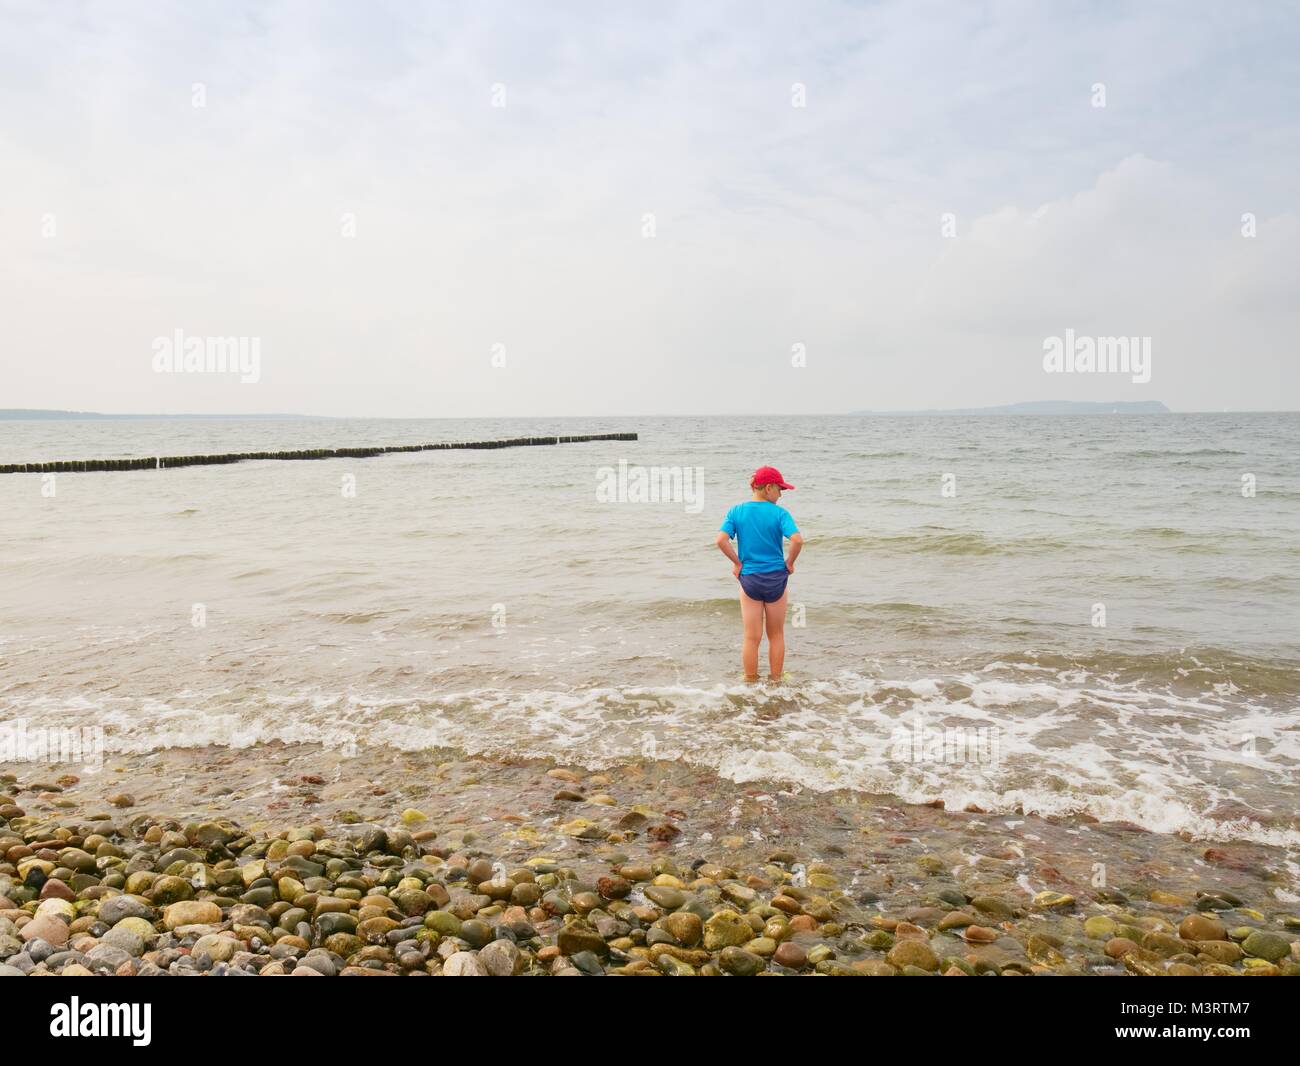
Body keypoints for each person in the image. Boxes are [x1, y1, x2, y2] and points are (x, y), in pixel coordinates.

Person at [715, 466, 803, 681]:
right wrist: (789, 563)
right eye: (780, 489)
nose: (781, 494)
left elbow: (721, 540)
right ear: (769, 488)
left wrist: (737, 564)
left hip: (750, 580)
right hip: (776, 579)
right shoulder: (780, 513)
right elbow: (797, 540)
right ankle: (776, 680)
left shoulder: (736, 511)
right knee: (776, 635)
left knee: (751, 637)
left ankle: (751, 680)